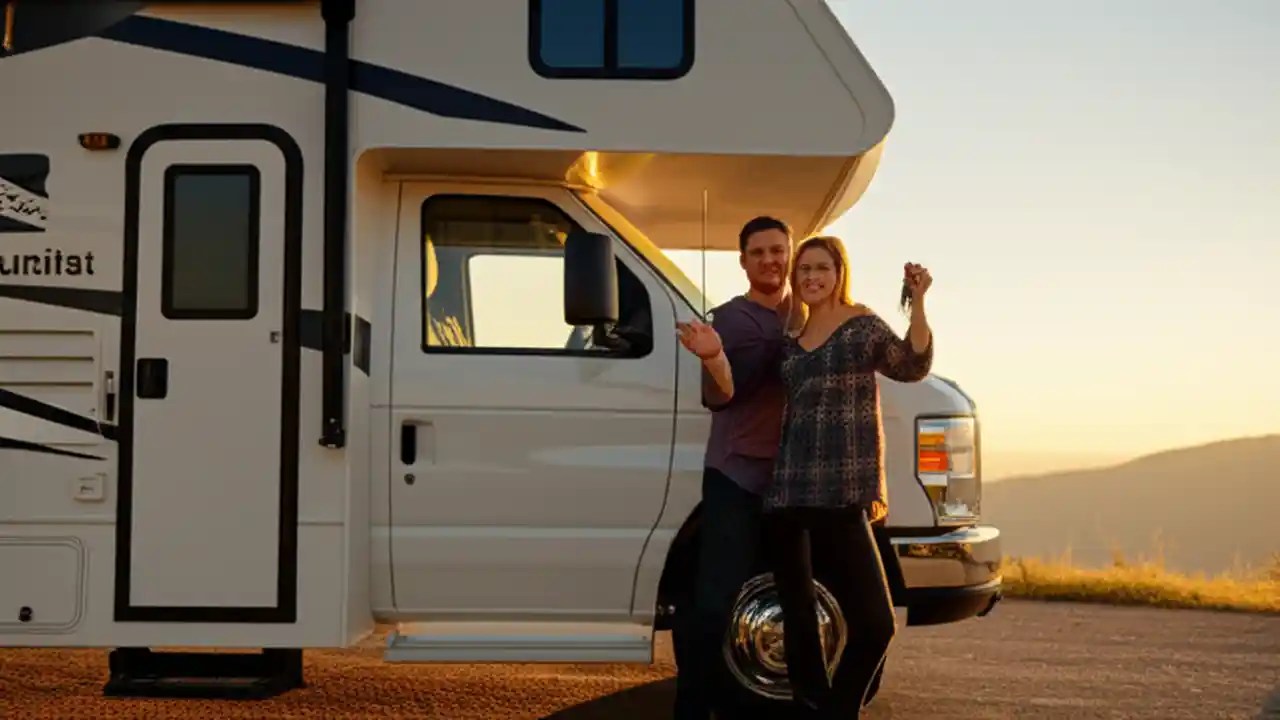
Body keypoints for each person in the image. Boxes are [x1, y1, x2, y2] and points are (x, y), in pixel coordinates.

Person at [678, 235, 935, 718]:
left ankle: (838, 712)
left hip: (841, 498)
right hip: (787, 498)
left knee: (876, 624)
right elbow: (731, 391)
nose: (812, 277)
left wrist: (918, 304)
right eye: (804, 270)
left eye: (822, 268)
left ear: (840, 273)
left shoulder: (861, 326)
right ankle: (810, 707)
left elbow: (913, 365)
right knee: (800, 628)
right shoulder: (790, 343)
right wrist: (712, 354)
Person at [672, 215, 799, 720]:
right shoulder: (727, 319)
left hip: (793, 480)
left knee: (784, 593)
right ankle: (692, 707)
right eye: (759, 252)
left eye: (778, 250)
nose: (770, 260)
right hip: (736, 476)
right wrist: (712, 357)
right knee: (713, 600)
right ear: (743, 261)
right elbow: (720, 394)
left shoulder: (809, 316)